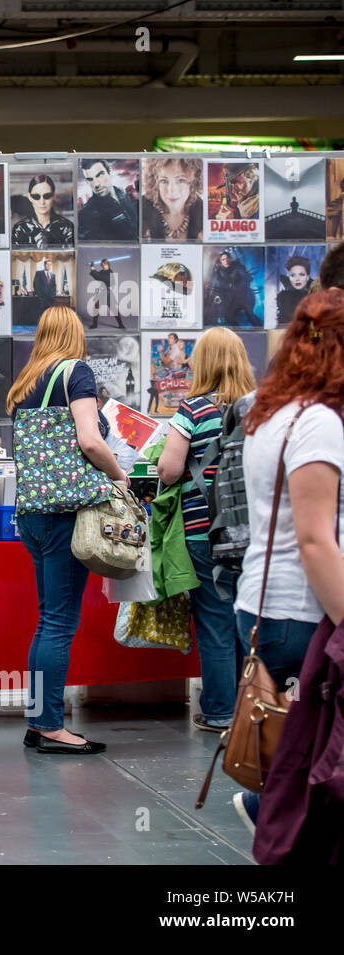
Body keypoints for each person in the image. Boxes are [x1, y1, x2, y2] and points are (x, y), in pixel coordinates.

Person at [230, 287, 344, 838]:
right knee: (309, 754)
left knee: (291, 746)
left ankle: (265, 809)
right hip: (300, 612)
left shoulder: (271, 415)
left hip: (265, 606)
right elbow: (315, 540)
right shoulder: (318, 424)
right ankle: (268, 817)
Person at [7, 306, 127, 754]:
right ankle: (52, 726)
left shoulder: (25, 383)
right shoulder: (75, 371)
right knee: (60, 623)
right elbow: (90, 440)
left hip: (34, 513)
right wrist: (119, 476)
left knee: (47, 620)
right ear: (75, 335)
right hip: (66, 511)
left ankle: (41, 721)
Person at [156, 327, 256, 733]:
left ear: (207, 362)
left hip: (203, 532)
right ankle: (254, 710)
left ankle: (218, 712)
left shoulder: (193, 410)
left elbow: (169, 469)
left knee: (214, 623)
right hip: (253, 533)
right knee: (247, 623)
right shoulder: (262, 409)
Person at [141, 156, 204, 241]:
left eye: (181, 180)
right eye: (164, 181)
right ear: (155, 183)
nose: (171, 190)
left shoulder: (205, 212)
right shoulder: (141, 209)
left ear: (194, 182)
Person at [78, 158, 139, 241]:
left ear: (109, 172)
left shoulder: (125, 197)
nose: (96, 184)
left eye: (99, 175)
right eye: (90, 179)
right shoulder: (87, 214)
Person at [12, 174, 74, 248]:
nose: (42, 202)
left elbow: (70, 257)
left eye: (47, 196)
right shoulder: (20, 228)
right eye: (36, 196)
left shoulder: (67, 227)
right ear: (29, 197)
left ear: (54, 196)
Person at [205, 249, 258, 328]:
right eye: (223, 259)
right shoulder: (218, 270)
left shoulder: (238, 267)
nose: (226, 261)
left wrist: (240, 283)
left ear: (230, 259)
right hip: (231, 299)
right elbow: (214, 282)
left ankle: (258, 328)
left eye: (227, 259)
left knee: (250, 315)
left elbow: (248, 278)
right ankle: (238, 331)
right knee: (228, 316)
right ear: (221, 261)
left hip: (243, 297)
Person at [275, 255, 316, 324]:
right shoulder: (282, 298)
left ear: (308, 277)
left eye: (301, 274)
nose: (297, 279)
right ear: (289, 277)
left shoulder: (316, 298)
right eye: (293, 275)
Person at [86, 257, 123, 329]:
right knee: (96, 308)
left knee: (114, 309)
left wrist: (92, 268)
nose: (103, 266)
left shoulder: (110, 272)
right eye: (102, 265)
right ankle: (94, 325)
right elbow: (97, 275)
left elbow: (99, 277)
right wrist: (92, 267)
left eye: (104, 265)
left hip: (108, 293)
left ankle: (121, 324)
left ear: (108, 264)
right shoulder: (103, 271)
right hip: (102, 292)